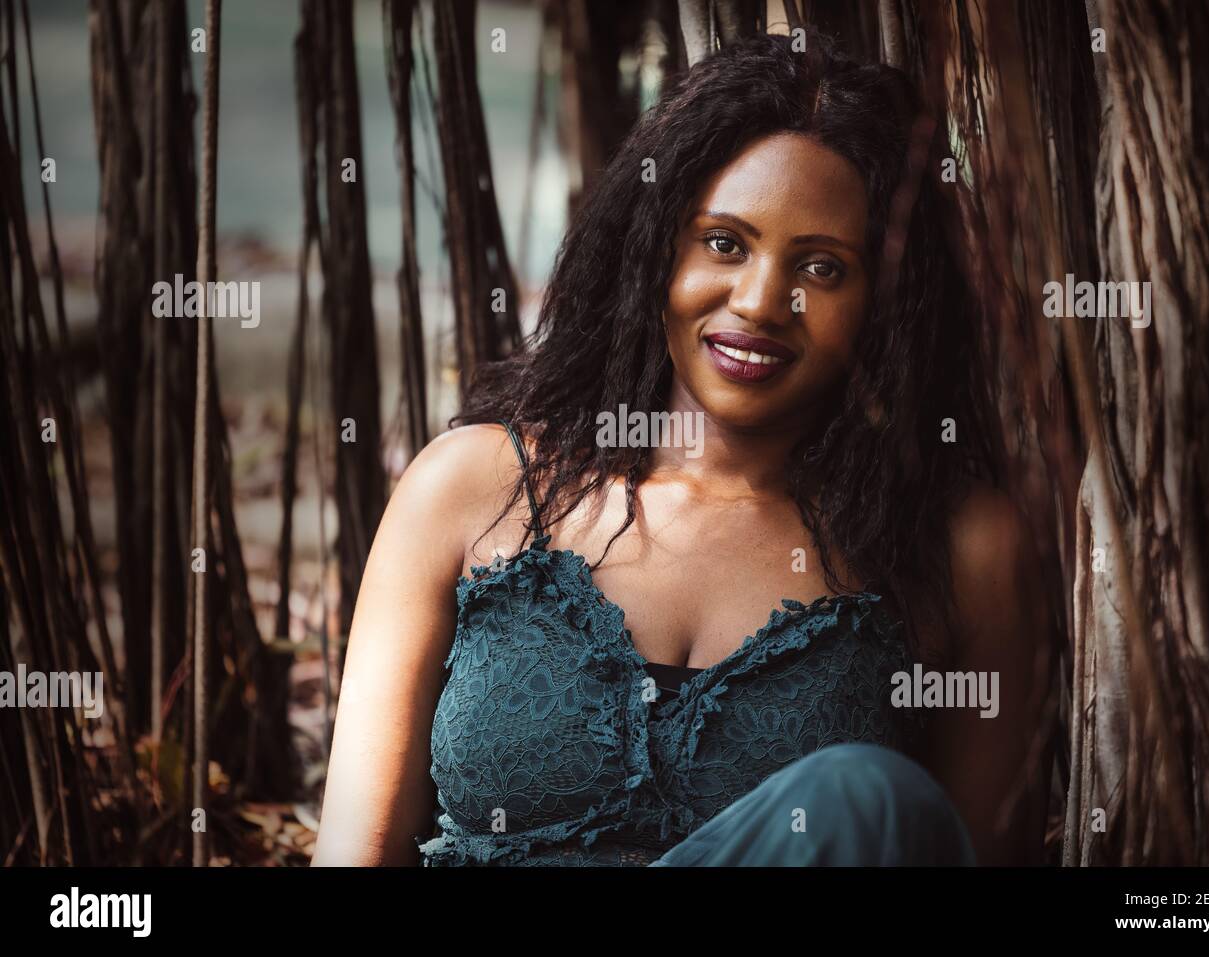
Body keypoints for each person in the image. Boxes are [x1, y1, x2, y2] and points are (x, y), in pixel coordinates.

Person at [312, 30, 1050, 867]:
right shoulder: (470, 489)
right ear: (656, 247)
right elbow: (353, 852)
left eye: (822, 268)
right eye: (725, 243)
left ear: (888, 304)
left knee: (861, 799)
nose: (763, 301)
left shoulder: (962, 550)